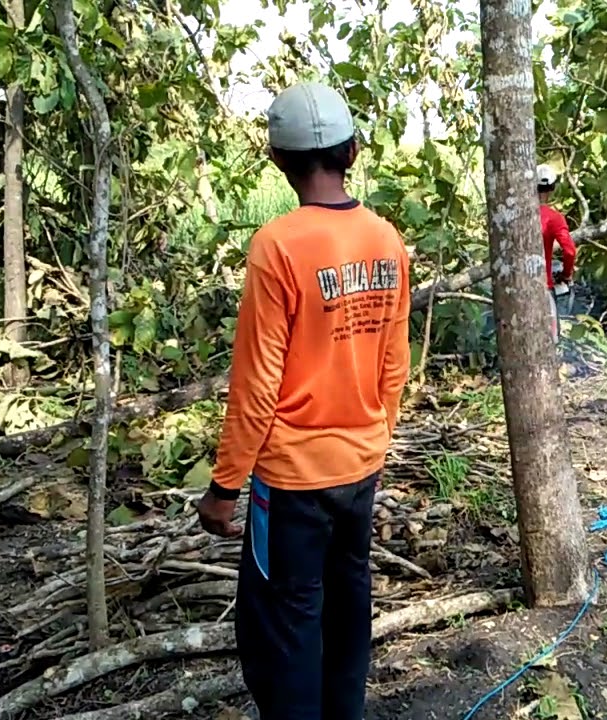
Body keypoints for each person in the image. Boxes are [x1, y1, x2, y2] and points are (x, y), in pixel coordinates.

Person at [195, 82, 411, 718]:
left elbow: (258, 381)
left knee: (282, 634)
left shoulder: (278, 247)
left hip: (290, 481)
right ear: (351, 150)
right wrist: (374, 437)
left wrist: (225, 485)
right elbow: (394, 364)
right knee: (347, 614)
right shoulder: (386, 239)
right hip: (360, 468)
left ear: (279, 161)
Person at [538, 164, 577, 341]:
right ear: (552, 188)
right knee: (551, 339)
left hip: (513, 284)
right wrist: (566, 275)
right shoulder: (554, 218)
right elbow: (569, 251)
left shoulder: (516, 215)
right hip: (542, 286)